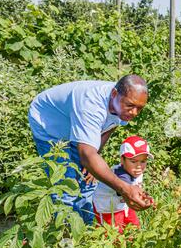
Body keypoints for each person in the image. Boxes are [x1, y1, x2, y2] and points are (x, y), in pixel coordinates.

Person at [28, 75, 153, 225]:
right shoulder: (91, 105)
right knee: (65, 186)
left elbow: (109, 126)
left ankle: (86, 230)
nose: (134, 113)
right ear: (114, 94)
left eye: (139, 108)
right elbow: (86, 154)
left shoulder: (122, 102)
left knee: (88, 181)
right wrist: (125, 189)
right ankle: (65, 238)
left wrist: (94, 159)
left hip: (76, 126)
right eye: (130, 106)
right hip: (49, 126)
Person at [93, 135, 155, 233]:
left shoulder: (135, 171)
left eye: (143, 161)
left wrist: (146, 197)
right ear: (122, 160)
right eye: (133, 161)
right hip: (108, 209)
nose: (139, 166)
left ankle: (131, 245)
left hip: (123, 205)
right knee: (113, 234)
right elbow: (128, 191)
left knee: (134, 227)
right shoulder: (121, 175)